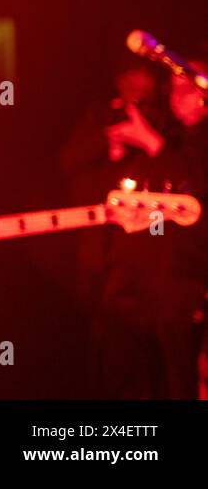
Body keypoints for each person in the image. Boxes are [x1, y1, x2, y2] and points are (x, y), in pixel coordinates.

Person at [63, 48, 208, 398]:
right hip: (131, 286)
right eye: (173, 86)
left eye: (189, 87)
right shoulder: (164, 128)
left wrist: (151, 143)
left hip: (179, 290)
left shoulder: (184, 142)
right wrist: (114, 149)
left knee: (177, 382)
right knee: (126, 379)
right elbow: (81, 170)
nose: (178, 95)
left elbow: (193, 185)